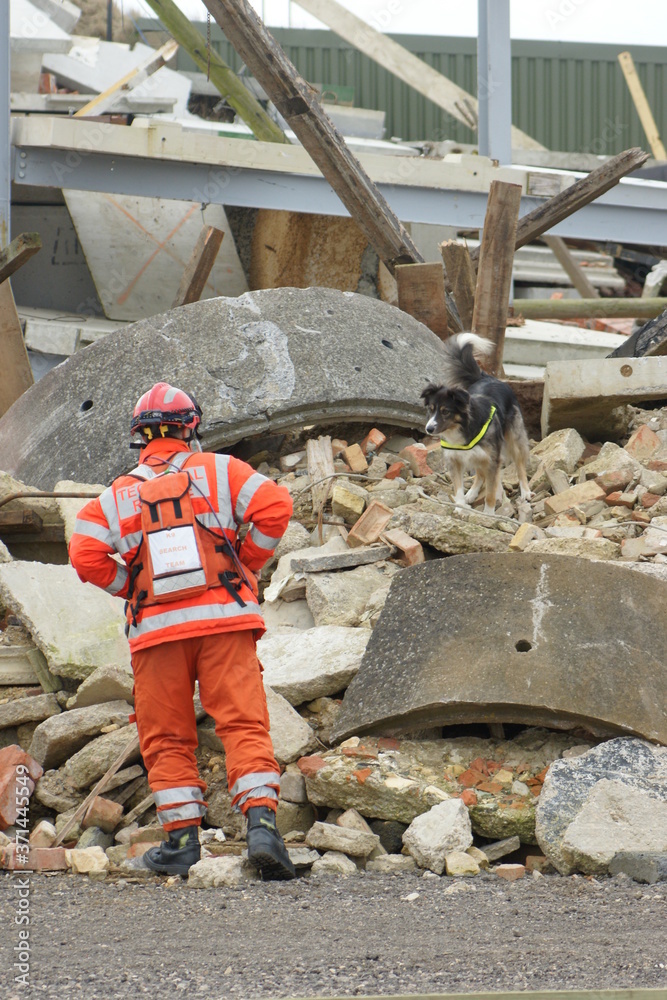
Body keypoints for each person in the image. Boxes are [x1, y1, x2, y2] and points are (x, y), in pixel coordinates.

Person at [69, 382, 296, 880]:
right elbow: (276, 508)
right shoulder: (221, 470)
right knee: (242, 724)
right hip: (224, 623)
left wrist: (129, 584)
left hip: (156, 636)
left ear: (139, 437)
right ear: (192, 428)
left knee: (168, 736)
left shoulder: (118, 494)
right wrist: (246, 564)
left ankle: (180, 843)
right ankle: (262, 829)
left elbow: (83, 552)